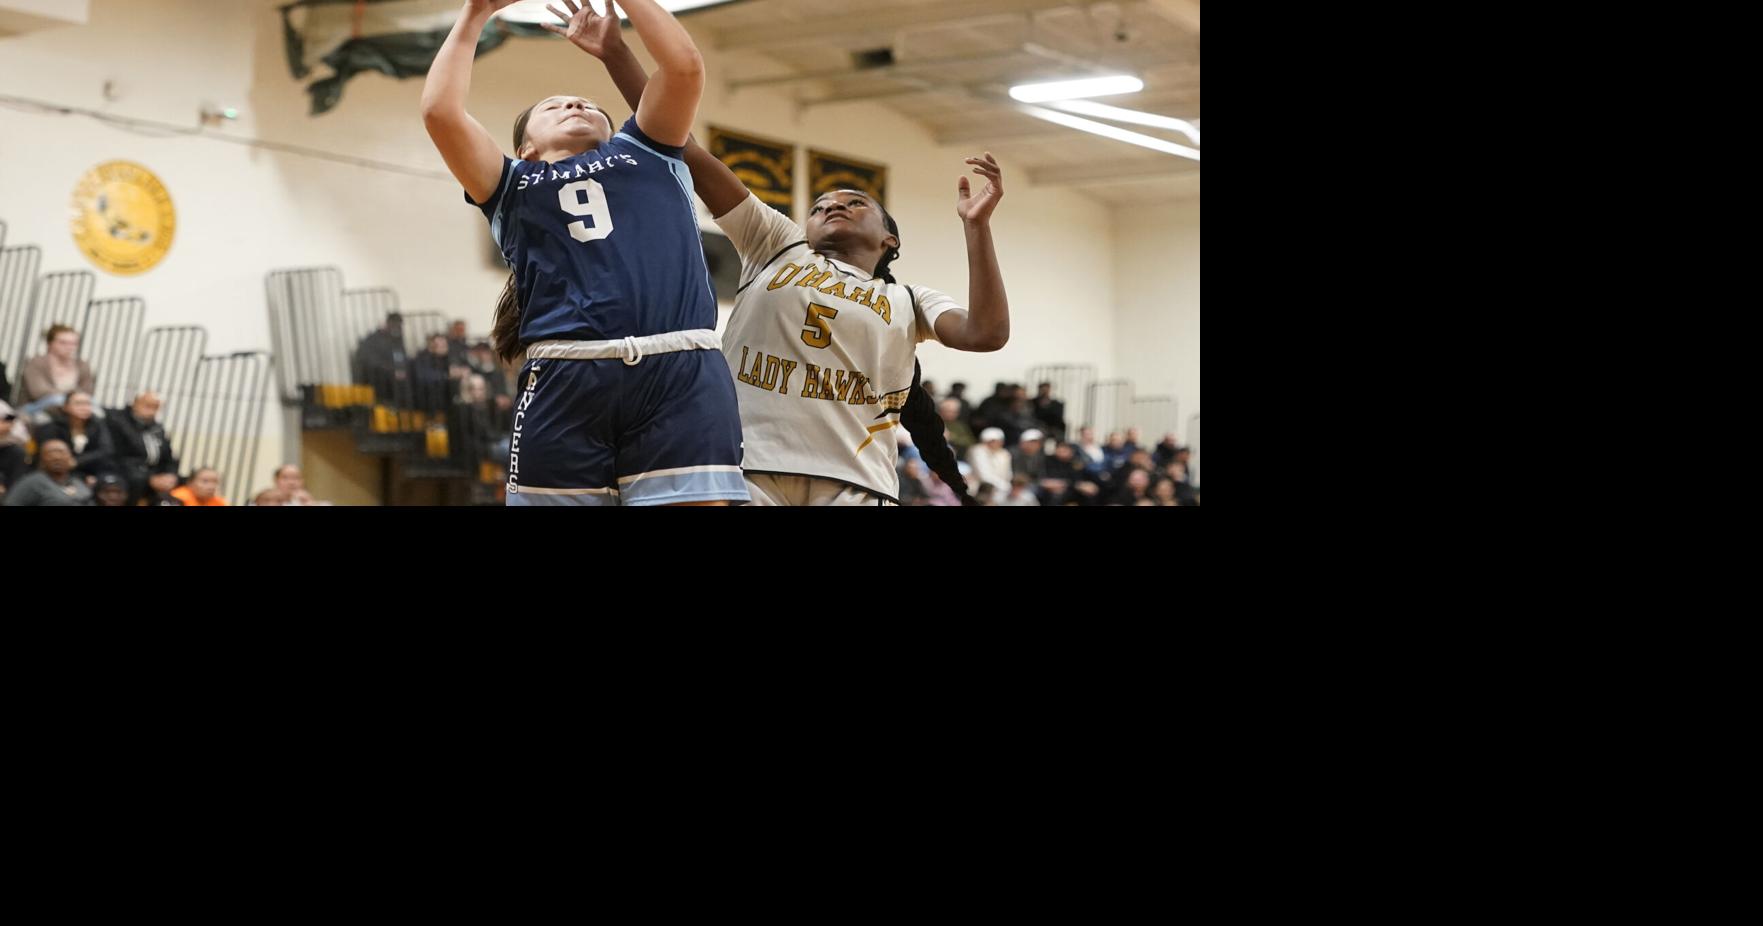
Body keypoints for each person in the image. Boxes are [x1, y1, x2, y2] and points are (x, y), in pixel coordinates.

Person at [572, 0, 1008, 505]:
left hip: (858, 480)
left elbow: (986, 334)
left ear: (889, 240)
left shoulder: (910, 299)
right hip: (747, 464)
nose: (832, 206)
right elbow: (682, 145)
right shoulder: (777, 243)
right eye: (821, 203)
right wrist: (615, 53)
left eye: (854, 202)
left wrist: (976, 228)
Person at [423, 0, 744, 505]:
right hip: (564, 376)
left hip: (678, 369)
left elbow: (683, 66)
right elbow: (440, 112)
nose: (574, 105)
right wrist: (474, 15)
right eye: (554, 106)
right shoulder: (509, 182)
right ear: (525, 147)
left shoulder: (648, 148)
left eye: (587, 104)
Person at [107, 391, 179, 505]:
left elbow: (169, 458)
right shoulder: (118, 421)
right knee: (136, 482)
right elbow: (118, 456)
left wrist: (170, 475)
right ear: (135, 403)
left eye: (155, 407)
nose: (151, 411)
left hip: (153, 474)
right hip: (125, 473)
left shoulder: (157, 428)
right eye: (147, 405)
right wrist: (149, 479)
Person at [32, 391, 116, 482]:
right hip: (58, 473)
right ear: (66, 407)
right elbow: (49, 455)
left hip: (92, 471)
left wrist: (77, 461)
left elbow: (106, 450)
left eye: (87, 404)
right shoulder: (51, 427)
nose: (84, 407)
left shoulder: (98, 425)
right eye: (78, 404)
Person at [18, 325, 96, 418]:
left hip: (72, 405)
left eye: (74, 343)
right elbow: (39, 392)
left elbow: (87, 392)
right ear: (50, 343)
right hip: (36, 406)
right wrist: (72, 396)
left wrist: (73, 399)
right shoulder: (37, 363)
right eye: (63, 343)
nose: (69, 347)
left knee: (96, 408)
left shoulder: (82, 365)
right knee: (57, 400)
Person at [2, 440, 92, 506]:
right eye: (50, 454)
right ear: (42, 460)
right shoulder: (32, 483)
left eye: (61, 452)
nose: (56, 457)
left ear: (70, 457)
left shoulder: (77, 482)